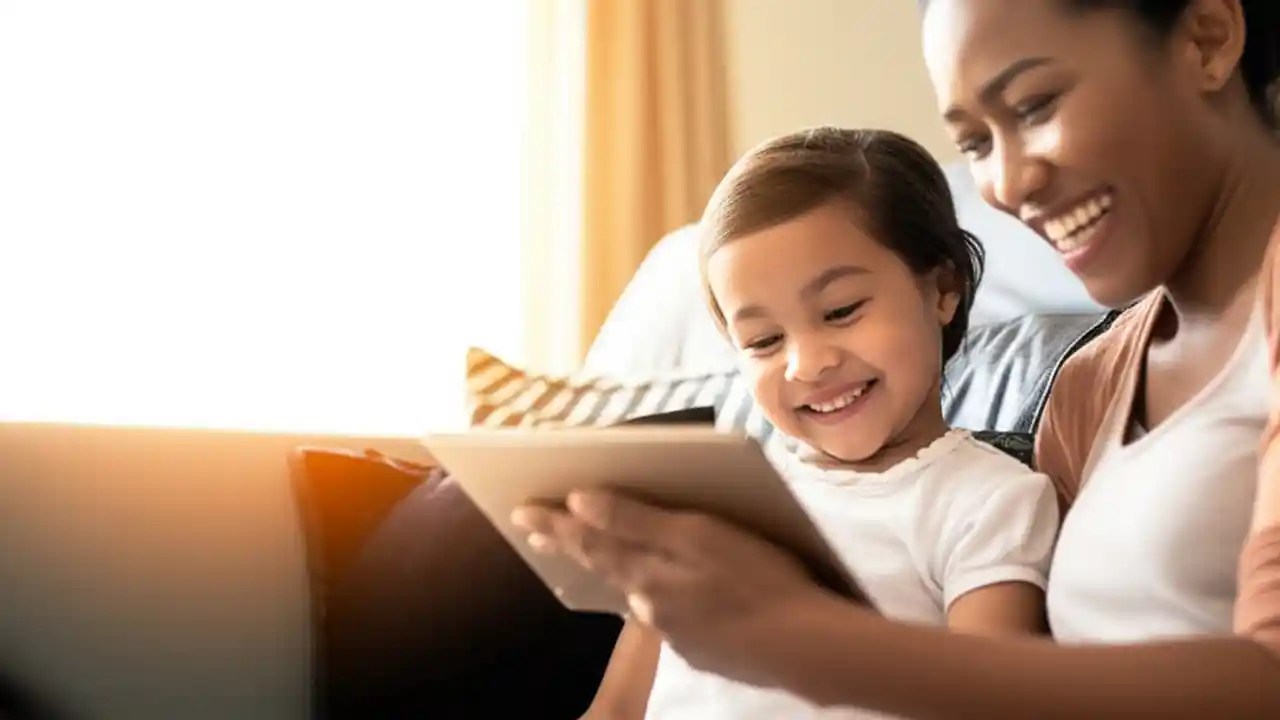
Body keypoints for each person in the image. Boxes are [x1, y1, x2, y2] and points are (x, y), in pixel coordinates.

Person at [513, 0, 1280, 717]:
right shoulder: (1086, 386)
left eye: (1036, 106)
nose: (1006, 184)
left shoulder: (987, 496)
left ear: (1206, 39)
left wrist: (792, 635)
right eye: (975, 142)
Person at [554, 127, 1058, 720]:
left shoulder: (987, 501)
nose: (807, 363)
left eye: (841, 311)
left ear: (944, 287)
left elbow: (993, 701)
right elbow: (614, 710)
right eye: (764, 340)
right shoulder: (720, 502)